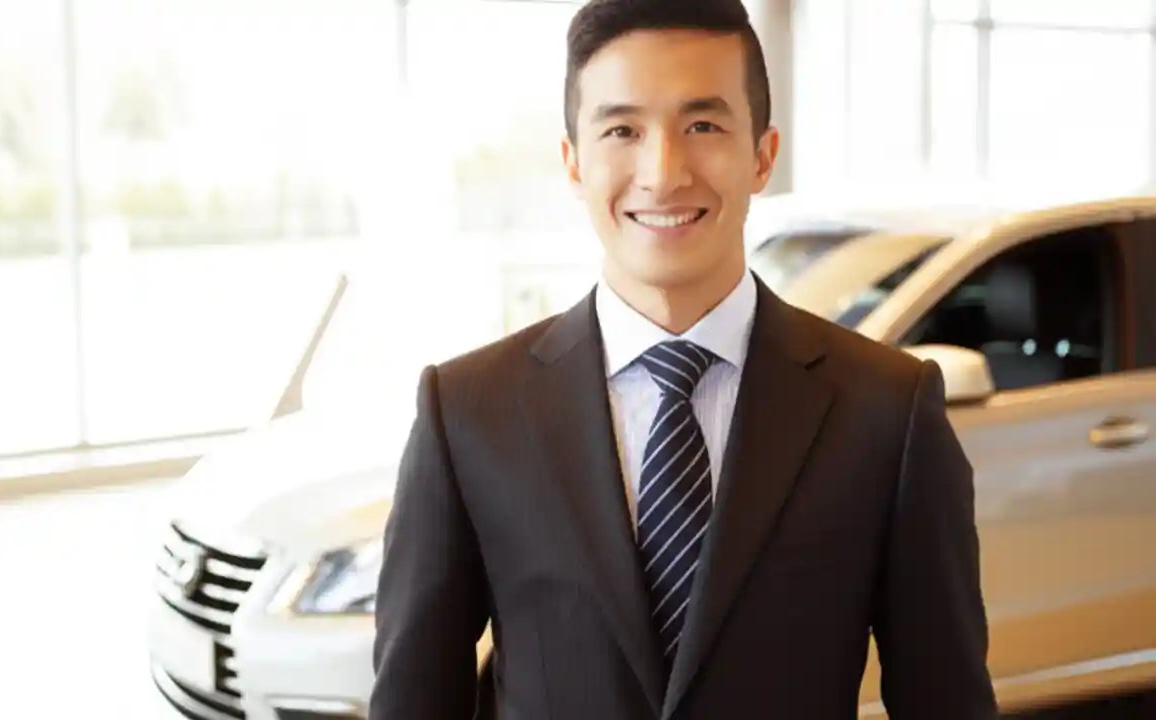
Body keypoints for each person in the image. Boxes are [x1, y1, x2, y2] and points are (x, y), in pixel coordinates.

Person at [370, 0, 997, 718]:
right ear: (573, 162)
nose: (663, 173)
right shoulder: (469, 412)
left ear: (763, 154)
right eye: (622, 130)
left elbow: (946, 700)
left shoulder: (886, 411)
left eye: (702, 125)